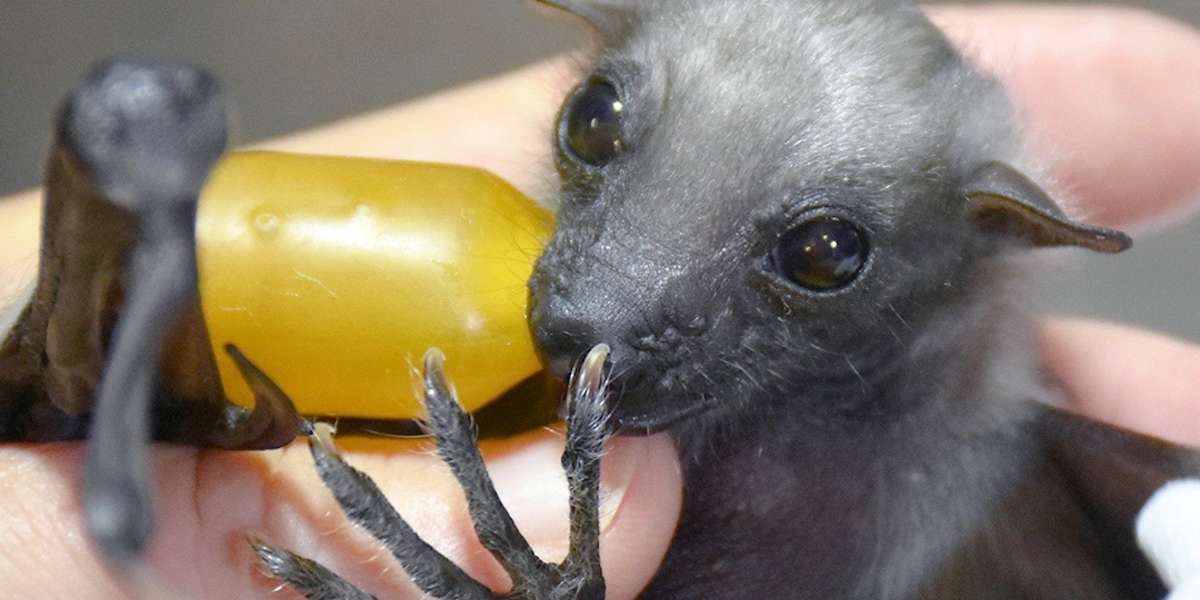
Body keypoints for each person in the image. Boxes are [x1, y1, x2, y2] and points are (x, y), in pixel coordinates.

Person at [0, 5, 1197, 598]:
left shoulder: (994, 511)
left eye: (821, 255)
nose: (591, 306)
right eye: (603, 129)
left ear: (976, 247)